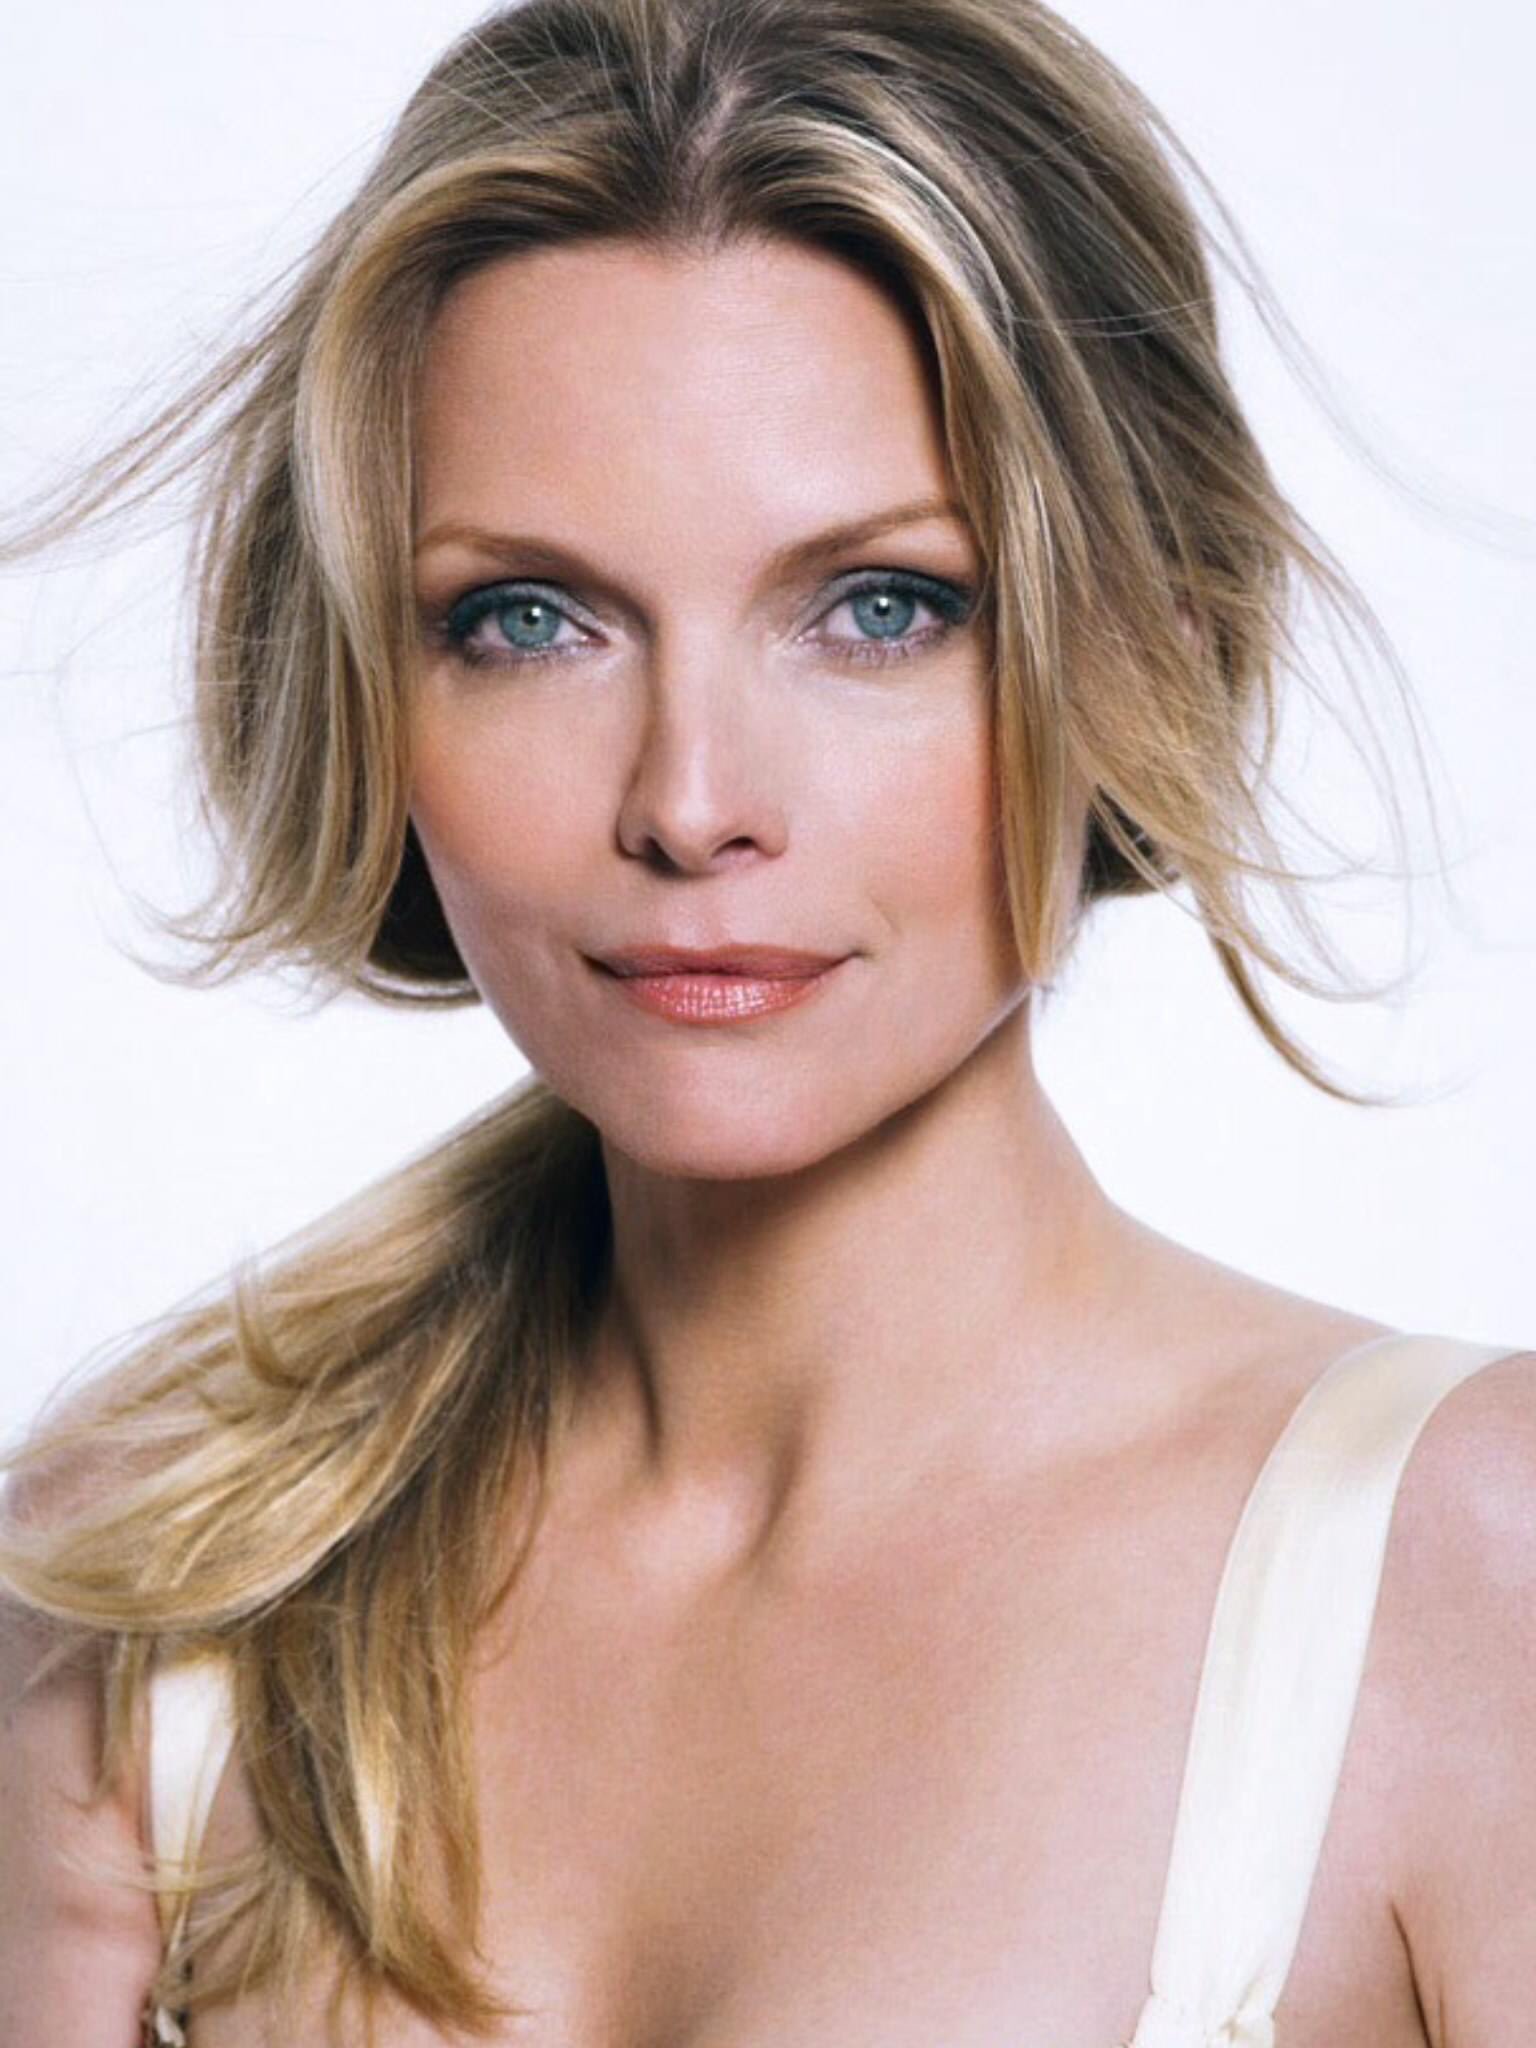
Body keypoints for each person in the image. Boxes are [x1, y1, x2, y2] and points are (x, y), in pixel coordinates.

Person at [0, 0, 1529, 2042]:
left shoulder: (1463, 1578)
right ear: (375, 685)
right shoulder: (162, 1586)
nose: (691, 797)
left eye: (882, 606)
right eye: (528, 619)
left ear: (1143, 650)